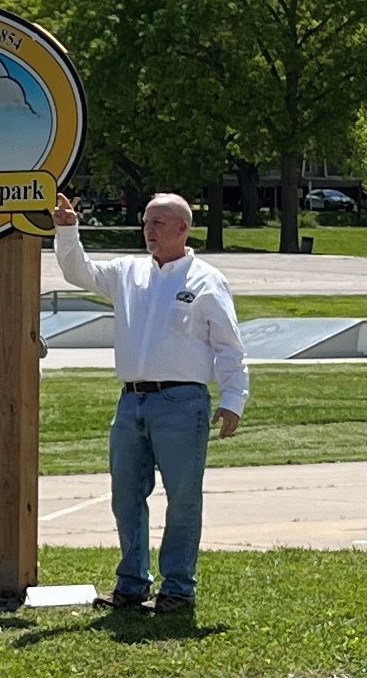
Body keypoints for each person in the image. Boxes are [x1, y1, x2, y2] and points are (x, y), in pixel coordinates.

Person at [53, 192, 249, 614]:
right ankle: (132, 584)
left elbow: (229, 345)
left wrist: (233, 397)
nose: (149, 230)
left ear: (183, 229)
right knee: (125, 495)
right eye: (146, 222)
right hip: (131, 402)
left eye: (158, 223)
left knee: (183, 499)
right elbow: (78, 271)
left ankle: (178, 588)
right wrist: (68, 230)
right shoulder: (127, 272)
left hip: (183, 402)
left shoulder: (206, 280)